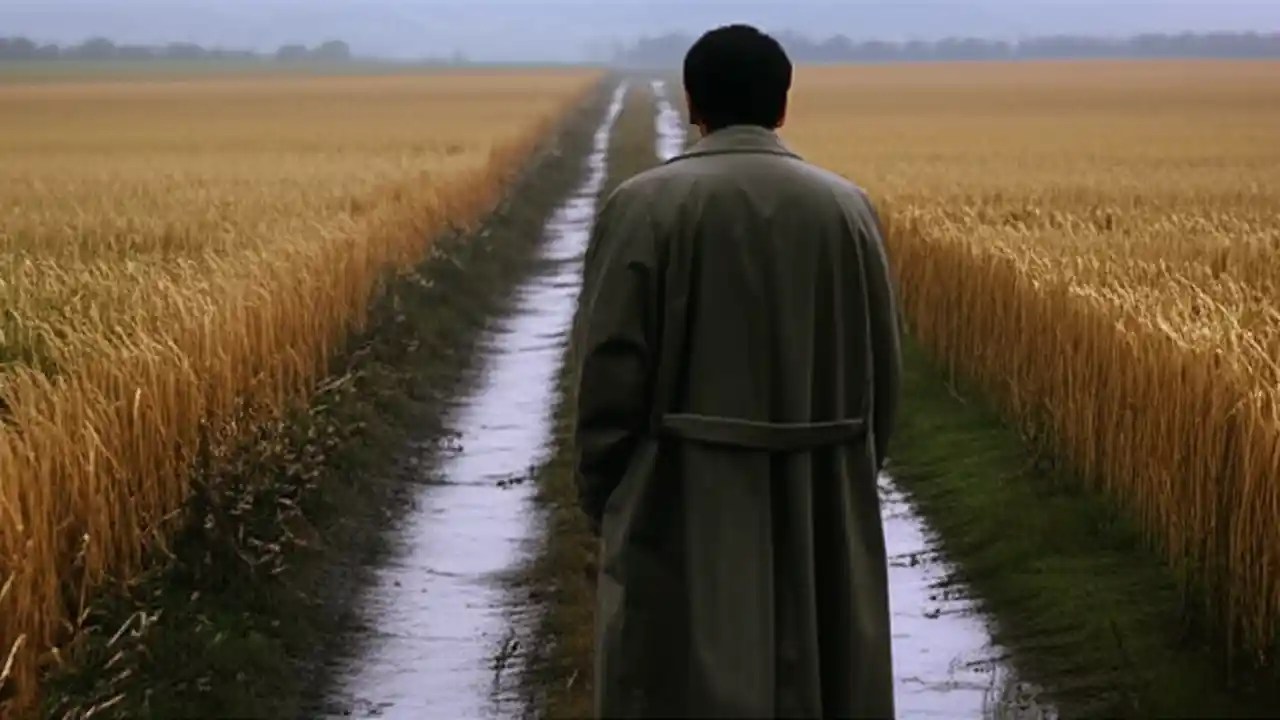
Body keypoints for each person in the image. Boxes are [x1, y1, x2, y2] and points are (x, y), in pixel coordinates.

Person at [571, 23, 902, 719]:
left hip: (680, 499)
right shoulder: (847, 209)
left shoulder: (644, 207)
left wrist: (611, 496)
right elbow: (882, 380)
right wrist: (844, 477)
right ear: (783, 105)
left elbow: (610, 374)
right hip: (823, 497)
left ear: (693, 103)